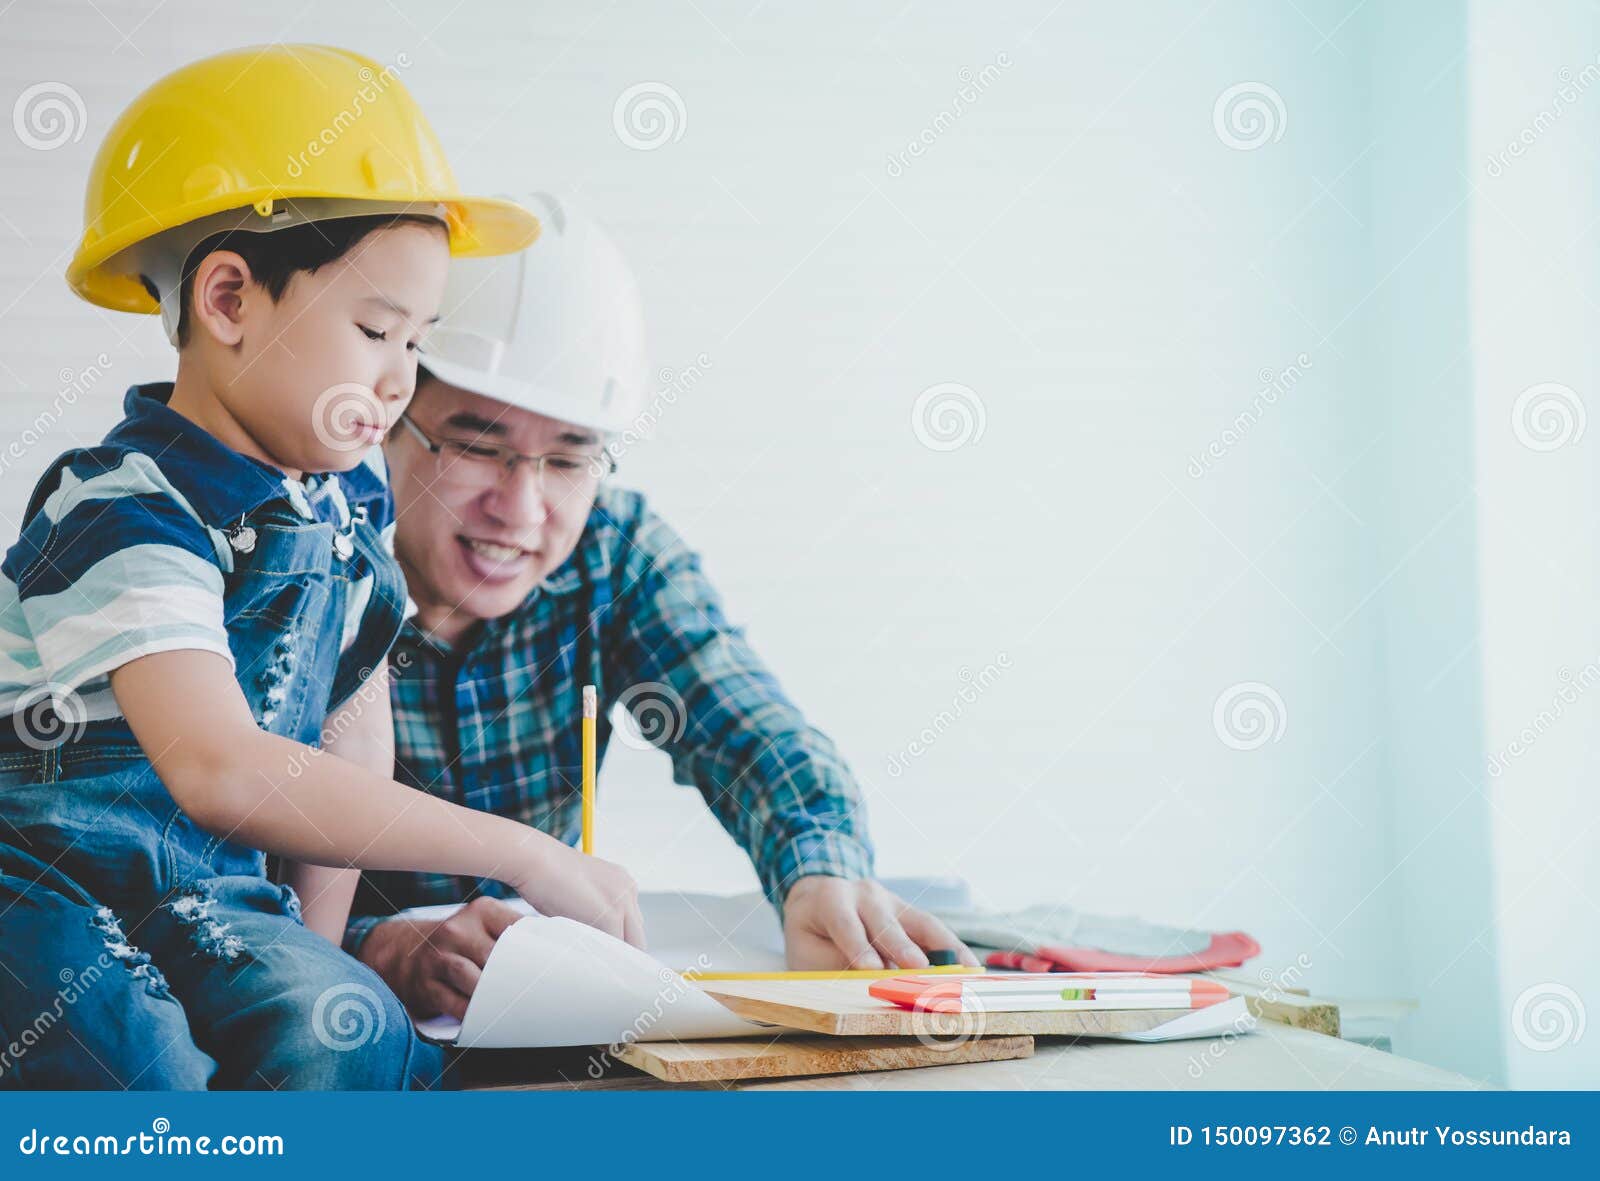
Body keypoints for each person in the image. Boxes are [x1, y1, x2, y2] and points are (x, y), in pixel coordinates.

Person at [0, 49, 637, 1090]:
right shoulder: (125, 506)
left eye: (419, 340)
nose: (399, 378)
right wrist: (525, 849)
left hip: (210, 900)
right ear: (228, 298)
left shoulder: (343, 512)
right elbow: (222, 768)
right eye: (376, 329)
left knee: (352, 1032)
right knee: (133, 1060)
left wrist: (321, 958)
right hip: (45, 890)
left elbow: (348, 740)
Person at [347, 193, 976, 1022]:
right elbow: (211, 877)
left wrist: (817, 869)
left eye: (569, 461)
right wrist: (372, 949)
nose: (523, 508)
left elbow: (753, 735)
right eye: (476, 446)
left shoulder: (614, 552)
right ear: (388, 415)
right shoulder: (313, 566)